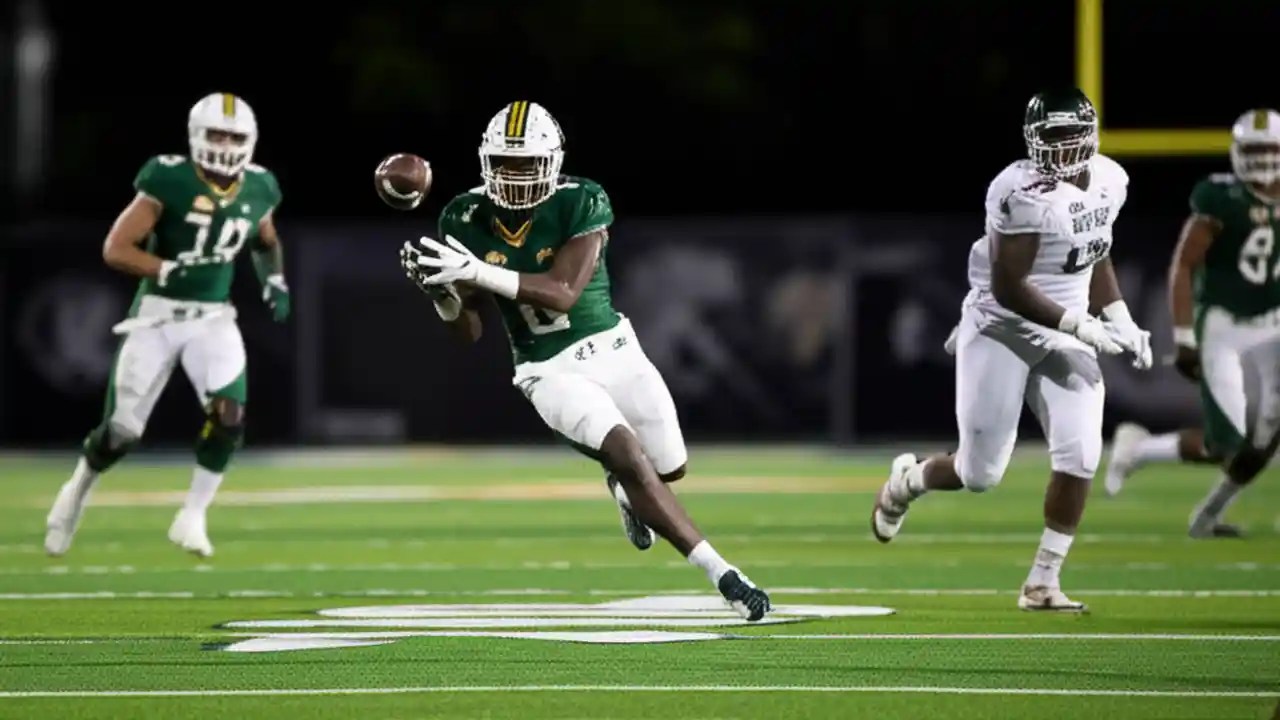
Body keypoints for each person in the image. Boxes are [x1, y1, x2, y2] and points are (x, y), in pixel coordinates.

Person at [398, 100, 771, 621]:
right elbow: (471, 330)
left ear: (551, 161)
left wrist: (477, 271)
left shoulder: (583, 199)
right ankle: (724, 574)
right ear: (487, 163)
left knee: (670, 467)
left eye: (528, 163)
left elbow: (563, 292)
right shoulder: (465, 215)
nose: (517, 176)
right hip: (547, 370)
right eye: (507, 164)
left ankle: (623, 486)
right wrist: (441, 295)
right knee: (629, 453)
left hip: (616, 351)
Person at [871, 88, 1153, 611]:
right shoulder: (1018, 191)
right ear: (1031, 142)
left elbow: (1096, 253)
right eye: (1052, 138)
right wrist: (1084, 327)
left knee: (1083, 452)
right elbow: (1009, 286)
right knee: (980, 474)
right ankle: (908, 481)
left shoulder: (1111, 180)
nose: (1064, 149)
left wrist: (1121, 319)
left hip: (1068, 330)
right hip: (1002, 328)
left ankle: (1042, 581)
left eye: (1072, 136)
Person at [44, 92, 290, 558]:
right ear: (197, 136)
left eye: (233, 135)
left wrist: (274, 279)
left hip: (212, 318)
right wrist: (163, 269)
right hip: (157, 317)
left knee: (230, 416)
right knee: (121, 433)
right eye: (216, 133)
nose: (224, 144)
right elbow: (116, 247)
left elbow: (265, 239)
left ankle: (192, 515)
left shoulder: (259, 186)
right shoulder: (169, 178)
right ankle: (78, 488)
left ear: (250, 141)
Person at [1103, 109, 1280, 539]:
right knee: (1227, 444)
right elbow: (1183, 264)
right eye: (1253, 152)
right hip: (1223, 323)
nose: (1262, 161)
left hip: (1272, 323)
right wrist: (1184, 335)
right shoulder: (1220, 199)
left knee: (1267, 437)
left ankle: (1207, 518)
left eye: (1269, 151)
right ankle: (1140, 448)